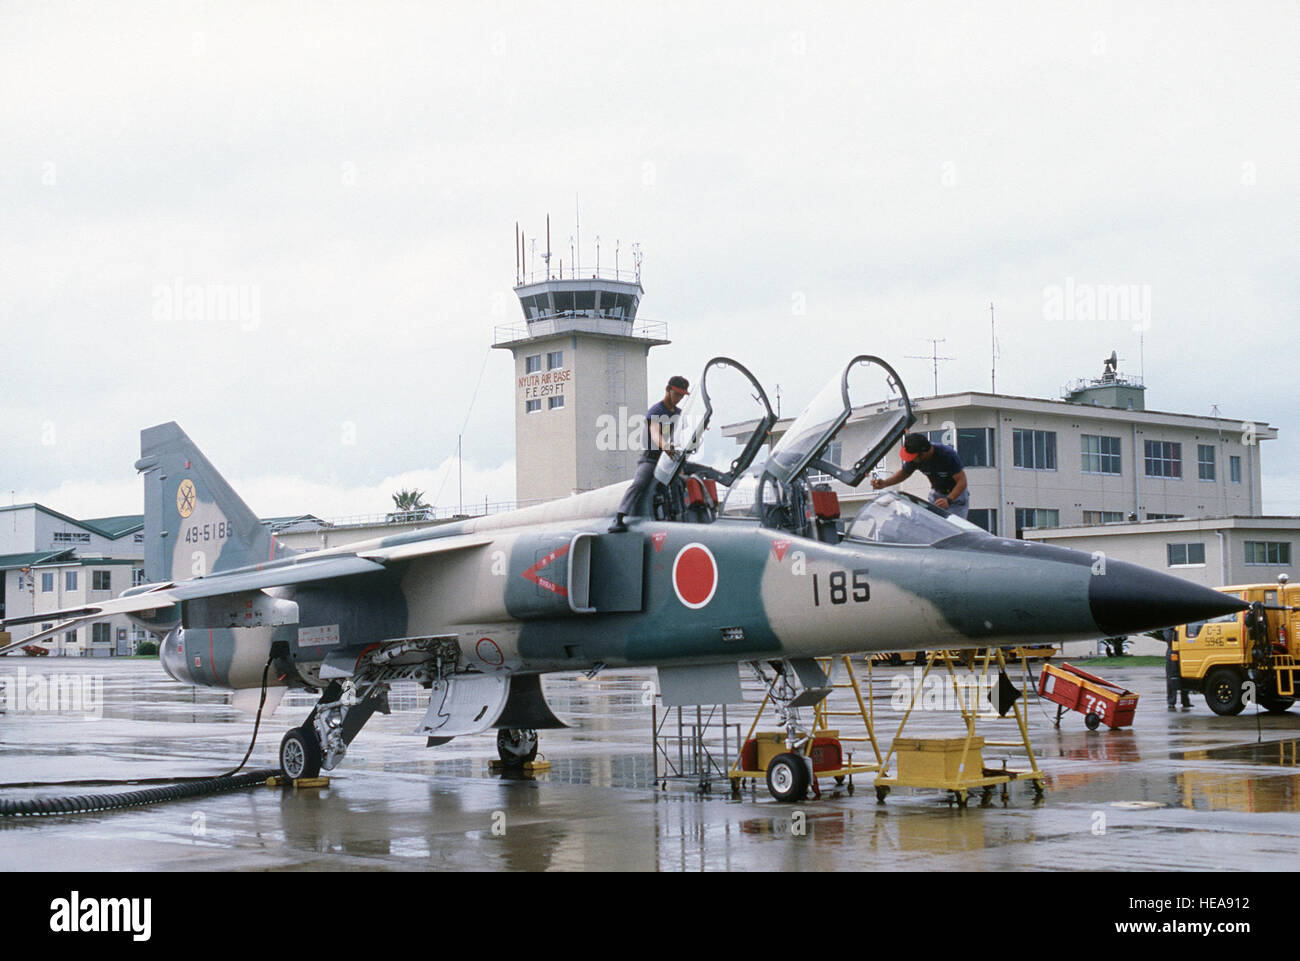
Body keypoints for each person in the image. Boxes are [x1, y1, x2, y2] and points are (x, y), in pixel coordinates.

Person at [609, 376, 690, 533]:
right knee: (639, 483)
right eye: (677, 394)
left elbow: (684, 433)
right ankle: (619, 517)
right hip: (651, 459)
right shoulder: (656, 410)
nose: (679, 399)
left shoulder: (680, 414)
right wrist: (665, 446)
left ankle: (680, 517)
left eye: (681, 396)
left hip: (670, 460)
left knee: (681, 483)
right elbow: (654, 433)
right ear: (668, 390)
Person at [870, 433, 970, 518]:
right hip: (937, 493)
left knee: (953, 528)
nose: (911, 460)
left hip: (955, 496)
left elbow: (962, 481)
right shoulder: (916, 458)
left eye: (913, 457)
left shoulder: (947, 455)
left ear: (924, 453)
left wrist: (949, 500)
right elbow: (904, 473)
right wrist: (885, 483)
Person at [1163, 627, 1191, 708]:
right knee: (1171, 678)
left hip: (1184, 652)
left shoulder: (1183, 626)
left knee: (1186, 676)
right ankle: (1171, 702)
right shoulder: (1168, 628)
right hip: (1173, 653)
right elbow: (1169, 640)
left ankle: (1185, 701)